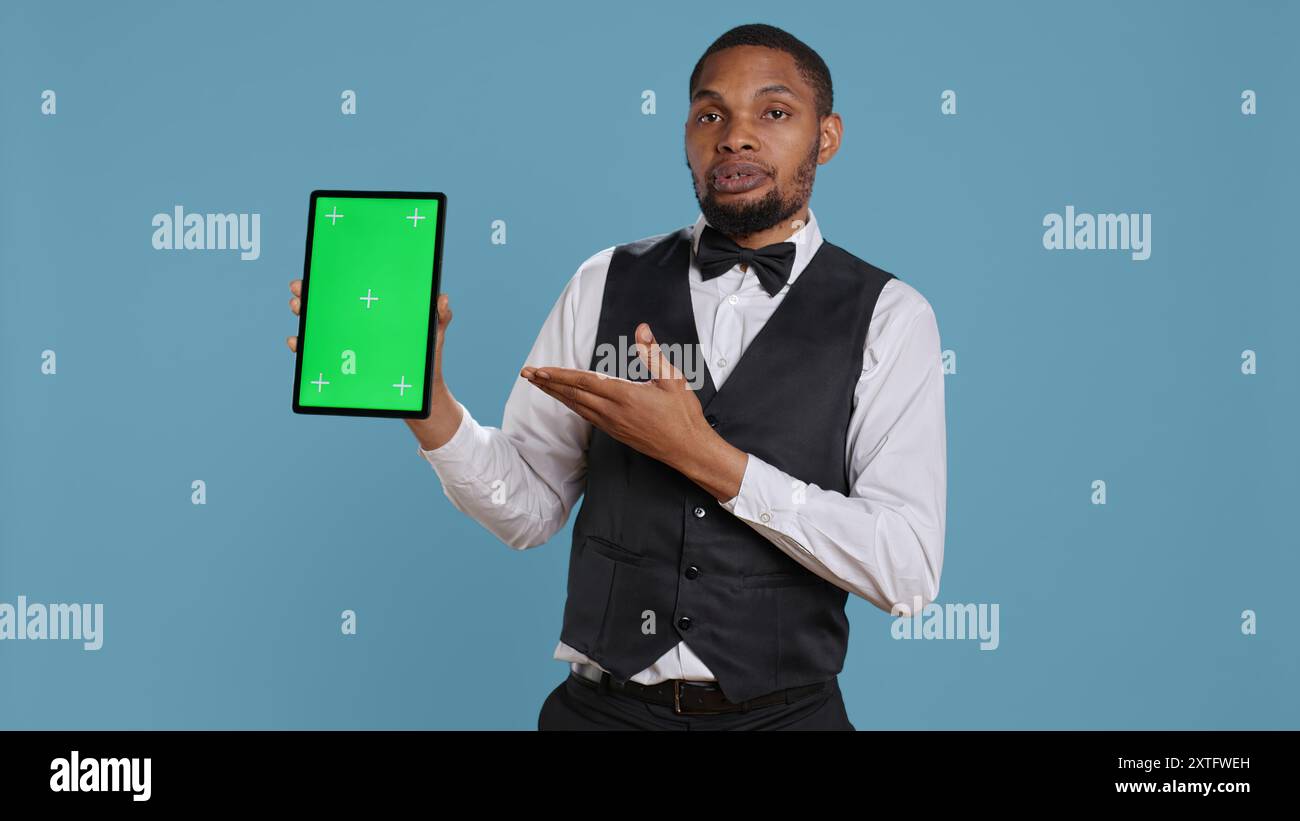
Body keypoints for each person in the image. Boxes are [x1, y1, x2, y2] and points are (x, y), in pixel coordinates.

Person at [286, 23, 946, 730]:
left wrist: (707, 457)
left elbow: (906, 571)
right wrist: (423, 399)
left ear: (827, 136)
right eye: (710, 113)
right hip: (601, 713)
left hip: (787, 716)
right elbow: (530, 506)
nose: (735, 135)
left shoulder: (891, 316)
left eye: (774, 112)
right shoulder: (603, 281)